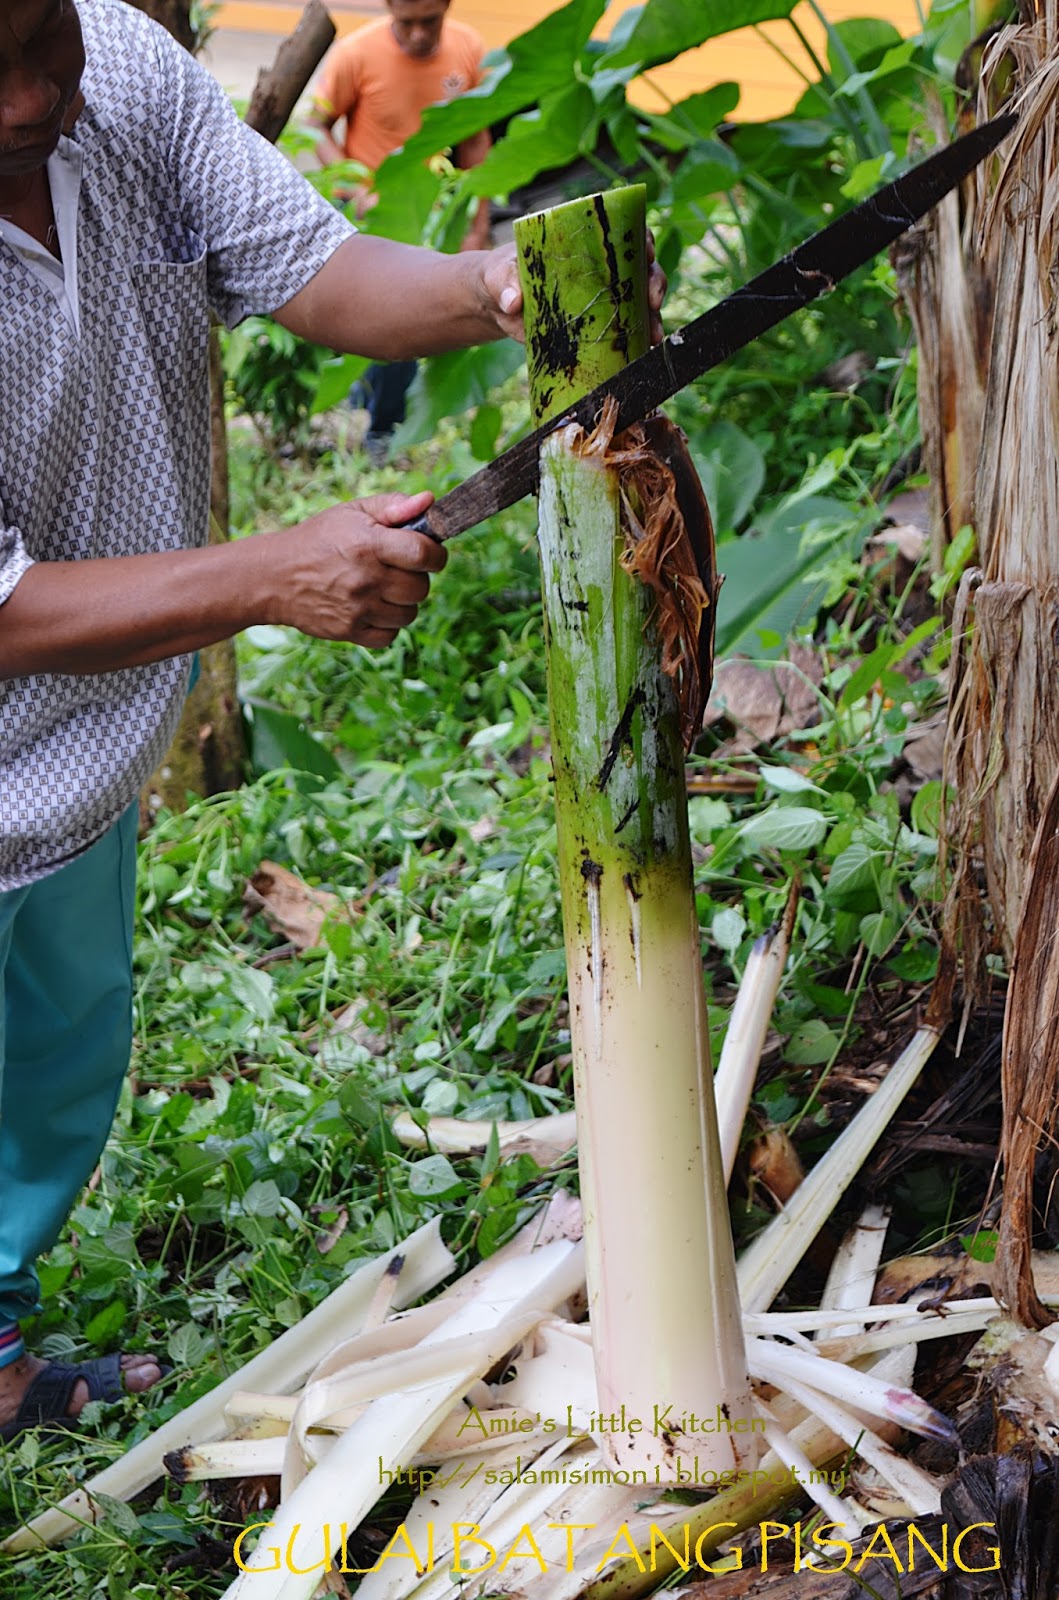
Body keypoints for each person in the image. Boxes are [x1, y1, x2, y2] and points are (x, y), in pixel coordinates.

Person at [0, 0, 664, 1442]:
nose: (36, 89)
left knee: (44, 1077)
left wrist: (487, 287)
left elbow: (310, 265)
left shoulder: (115, 67)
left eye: (39, 31)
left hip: (82, 749)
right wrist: (260, 577)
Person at [309, 0, 493, 454]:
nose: (417, 35)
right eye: (405, 23)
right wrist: (358, 188)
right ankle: (372, 415)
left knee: (413, 321)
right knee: (366, 317)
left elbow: (476, 141)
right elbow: (315, 126)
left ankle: (385, 428)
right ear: (389, 8)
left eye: (428, 22)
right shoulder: (356, 54)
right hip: (371, 214)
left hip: (432, 214)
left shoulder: (468, 49)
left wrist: (479, 221)